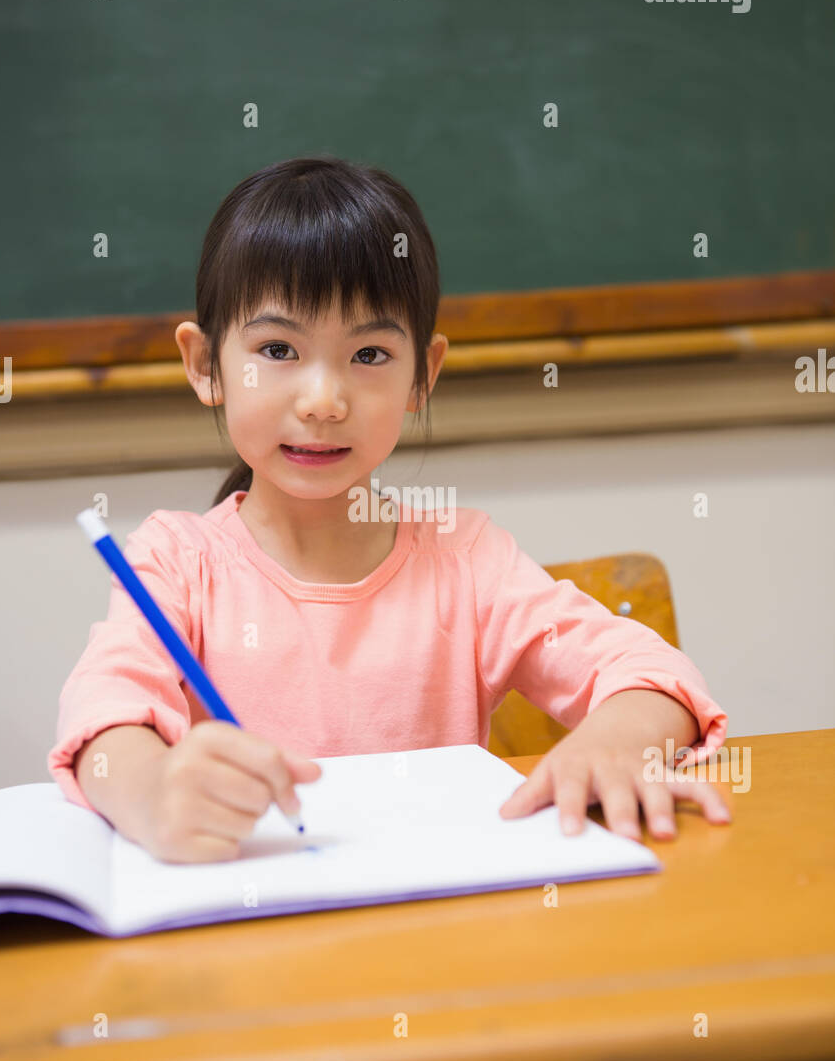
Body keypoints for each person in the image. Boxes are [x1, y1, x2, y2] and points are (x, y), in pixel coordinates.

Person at [48, 155, 730, 863]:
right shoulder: (174, 563)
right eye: (278, 349)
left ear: (422, 377)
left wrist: (618, 742)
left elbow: (655, 677)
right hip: (253, 936)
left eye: (369, 355)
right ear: (205, 364)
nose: (323, 400)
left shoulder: (466, 560)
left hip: (437, 935)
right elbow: (103, 721)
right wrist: (154, 791)